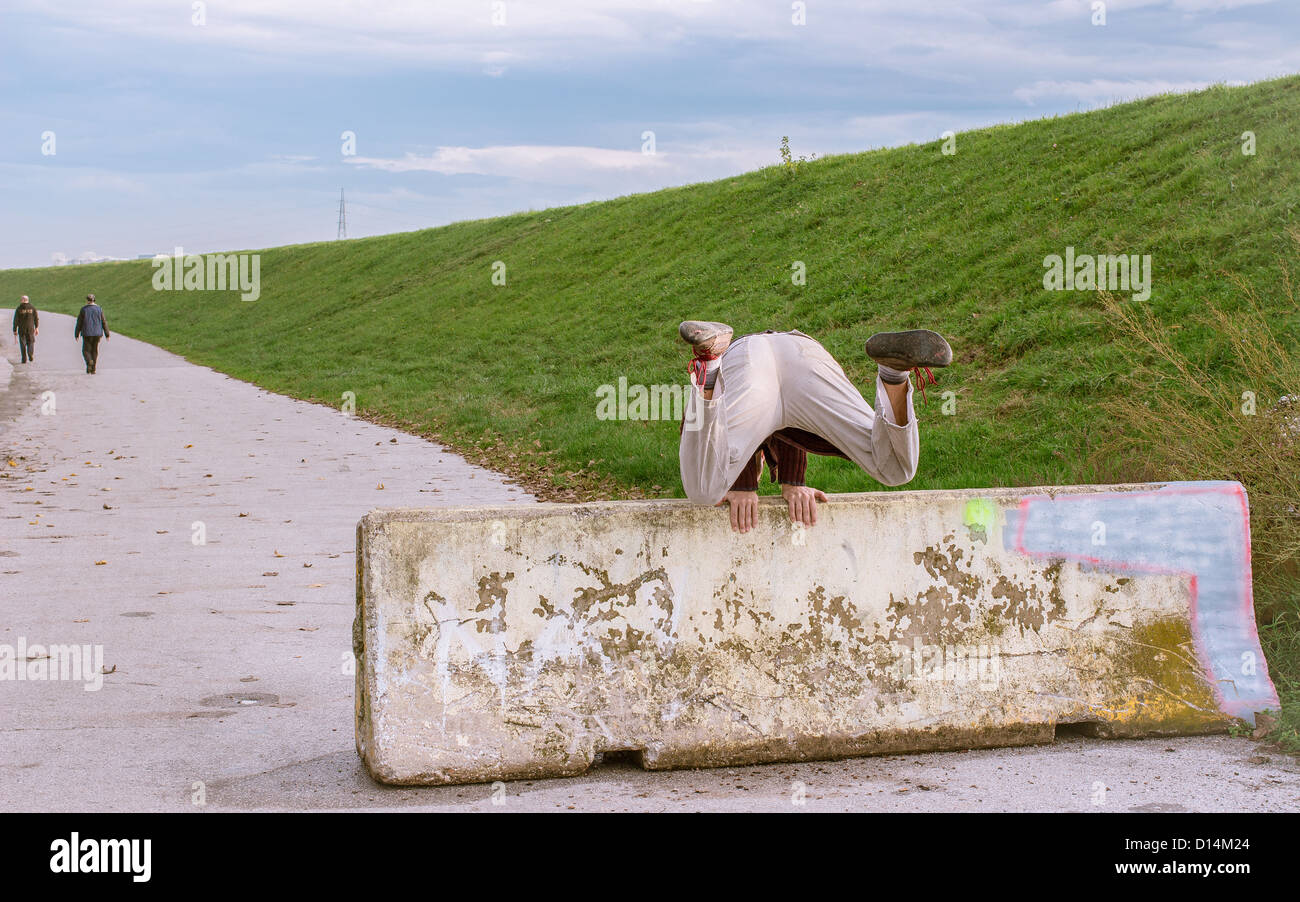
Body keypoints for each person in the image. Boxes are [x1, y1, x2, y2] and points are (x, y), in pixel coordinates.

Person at [677, 320, 952, 533]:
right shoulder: (776, 421)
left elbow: (713, 438)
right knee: (895, 468)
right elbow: (785, 419)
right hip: (804, 353)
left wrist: (744, 484)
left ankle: (711, 366)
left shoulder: (752, 432)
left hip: (746, 354)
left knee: (705, 487)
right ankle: (893, 372)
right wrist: (793, 482)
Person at [73, 293, 110, 374]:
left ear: (87, 301)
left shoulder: (84, 309)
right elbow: (104, 322)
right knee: (94, 350)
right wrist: (107, 334)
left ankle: (89, 361)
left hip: (87, 333)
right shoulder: (99, 309)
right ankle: (93, 369)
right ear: (94, 300)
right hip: (97, 333)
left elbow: (79, 322)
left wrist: (76, 334)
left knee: (86, 350)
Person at [12, 295, 38, 364]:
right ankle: (30, 354)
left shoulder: (19, 308)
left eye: (21, 299)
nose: (21, 301)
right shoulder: (32, 308)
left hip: (22, 329)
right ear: (27, 300)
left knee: (23, 343)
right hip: (30, 328)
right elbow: (36, 318)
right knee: (31, 341)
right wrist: (37, 328)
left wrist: (14, 329)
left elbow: (16, 320)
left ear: (23, 300)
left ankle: (24, 359)